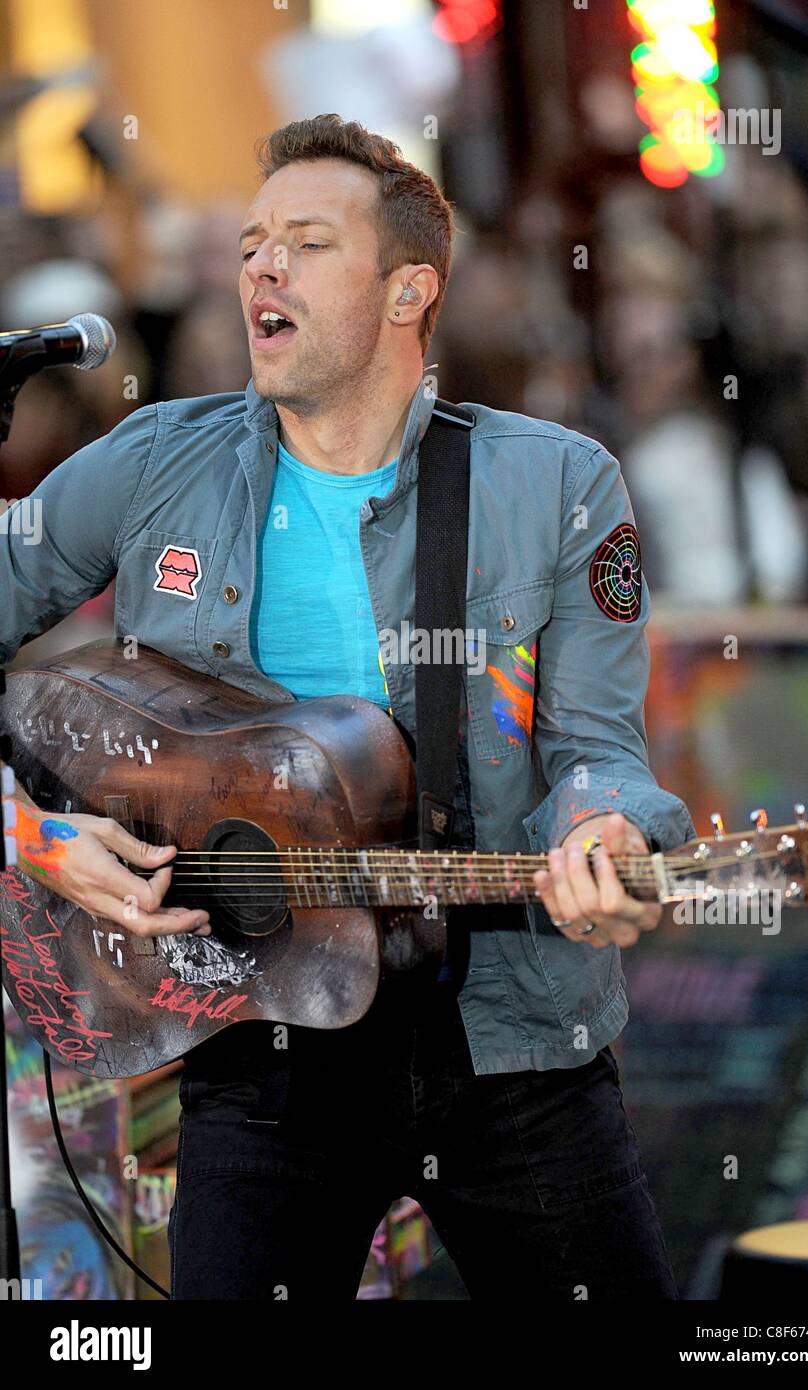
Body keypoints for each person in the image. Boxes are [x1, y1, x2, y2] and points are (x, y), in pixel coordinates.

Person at [0, 114, 694, 1301]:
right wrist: (30, 831)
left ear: (408, 289)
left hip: (509, 1036)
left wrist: (604, 835)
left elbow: (599, 753)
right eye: (254, 241)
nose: (260, 265)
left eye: (307, 242)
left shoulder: (560, 485)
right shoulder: (156, 461)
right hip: (250, 1033)